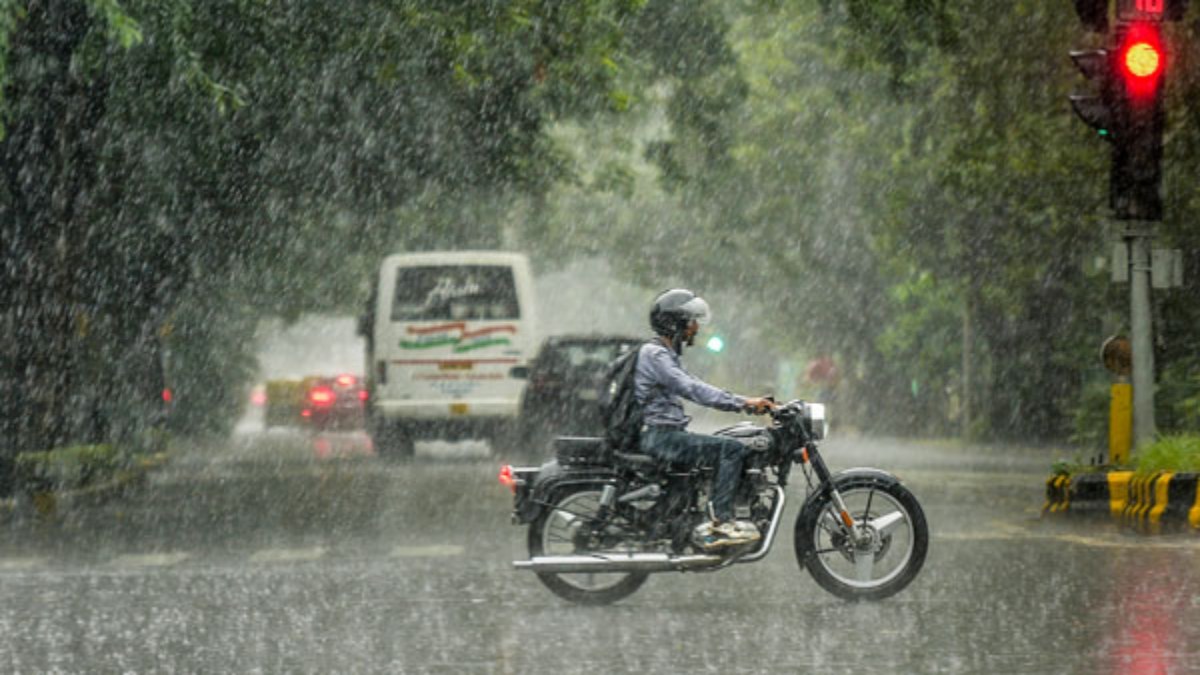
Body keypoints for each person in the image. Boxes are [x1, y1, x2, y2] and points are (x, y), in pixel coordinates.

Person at [635, 289, 775, 550]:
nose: (695, 328)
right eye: (691, 321)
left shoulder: (664, 354)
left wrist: (745, 401)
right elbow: (690, 388)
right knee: (731, 449)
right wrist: (742, 403)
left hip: (664, 433)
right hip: (660, 436)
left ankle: (697, 516)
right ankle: (721, 523)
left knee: (723, 443)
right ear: (674, 322)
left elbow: (693, 383)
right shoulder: (655, 354)